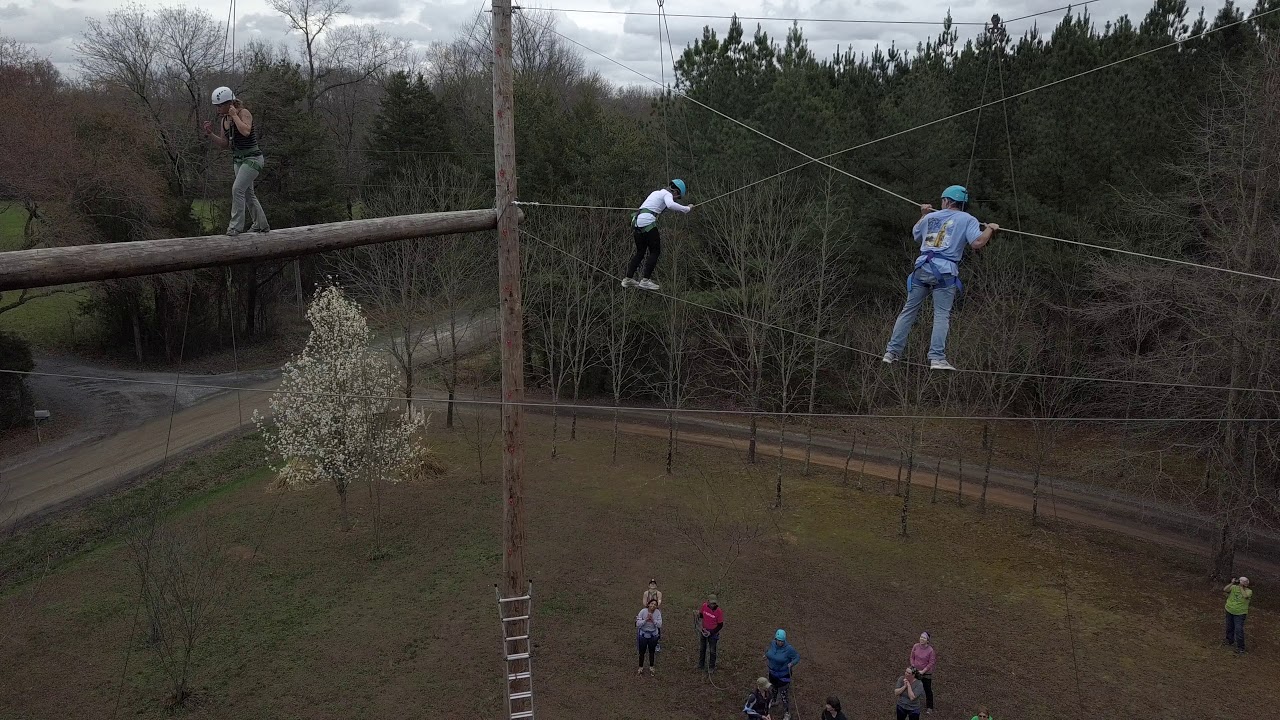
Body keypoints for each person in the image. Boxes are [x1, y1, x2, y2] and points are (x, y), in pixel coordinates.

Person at [882, 185, 997, 371]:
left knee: (909, 311)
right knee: (941, 315)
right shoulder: (967, 219)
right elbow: (977, 243)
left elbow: (916, 235)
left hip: (922, 268)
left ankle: (891, 352)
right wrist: (990, 229)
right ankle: (936, 358)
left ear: (946, 201)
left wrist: (923, 213)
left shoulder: (929, 217)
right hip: (945, 270)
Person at [202, 86, 269, 237]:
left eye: (220, 105)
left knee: (237, 189)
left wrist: (235, 116)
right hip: (238, 160)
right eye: (216, 106)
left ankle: (235, 227)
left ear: (230, 103)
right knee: (247, 194)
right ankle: (261, 224)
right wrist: (210, 134)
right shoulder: (224, 120)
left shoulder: (243, 113)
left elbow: (245, 131)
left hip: (252, 158)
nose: (218, 109)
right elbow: (225, 144)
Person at [622, 179, 693, 291]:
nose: (676, 199)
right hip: (647, 221)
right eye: (678, 197)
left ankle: (628, 278)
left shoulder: (656, 193)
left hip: (636, 222)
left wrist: (680, 207)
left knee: (640, 252)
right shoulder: (667, 194)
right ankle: (645, 280)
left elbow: (663, 207)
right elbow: (670, 205)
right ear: (675, 191)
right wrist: (687, 209)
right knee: (655, 251)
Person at [764, 628, 800, 720]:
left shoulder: (789, 649)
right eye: (778, 640)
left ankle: (787, 713)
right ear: (775, 639)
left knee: (784, 694)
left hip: (783, 676)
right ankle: (774, 701)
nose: (780, 642)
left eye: (782, 641)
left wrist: (791, 663)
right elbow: (769, 652)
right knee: (774, 689)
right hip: (772, 674)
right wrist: (766, 655)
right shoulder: (772, 644)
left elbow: (797, 657)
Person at [908, 631, 937, 713]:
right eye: (921, 637)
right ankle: (912, 701)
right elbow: (912, 657)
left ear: (927, 640)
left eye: (924, 638)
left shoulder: (930, 650)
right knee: (913, 686)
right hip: (915, 670)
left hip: (926, 673)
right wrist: (913, 666)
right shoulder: (915, 646)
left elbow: (931, 663)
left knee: (927, 689)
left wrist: (923, 671)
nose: (921, 639)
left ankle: (929, 707)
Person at [1223, 576, 1253, 654]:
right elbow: (1225, 589)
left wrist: (1241, 587)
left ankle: (1241, 648)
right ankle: (1229, 640)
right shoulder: (1233, 587)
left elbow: (1245, 596)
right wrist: (1232, 583)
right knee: (1229, 626)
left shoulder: (1249, 591)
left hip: (1240, 613)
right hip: (1229, 610)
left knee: (1239, 630)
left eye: (1243, 582)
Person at [696, 593, 725, 671]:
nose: (713, 605)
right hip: (704, 631)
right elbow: (702, 615)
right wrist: (698, 614)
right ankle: (701, 665)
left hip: (713, 634)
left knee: (712, 651)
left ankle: (712, 667)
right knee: (702, 648)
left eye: (714, 603)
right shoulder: (704, 606)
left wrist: (711, 632)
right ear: (708, 601)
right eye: (711, 603)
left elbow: (720, 625)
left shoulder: (719, 611)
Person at [636, 598, 662, 674]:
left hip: (653, 635)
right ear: (648, 604)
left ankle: (651, 667)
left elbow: (660, 624)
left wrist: (653, 620)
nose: (653, 606)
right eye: (652, 604)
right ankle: (640, 667)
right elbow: (638, 623)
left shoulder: (658, 613)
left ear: (656, 606)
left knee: (652, 652)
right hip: (643, 635)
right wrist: (646, 620)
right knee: (642, 652)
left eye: (655, 605)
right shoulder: (643, 611)